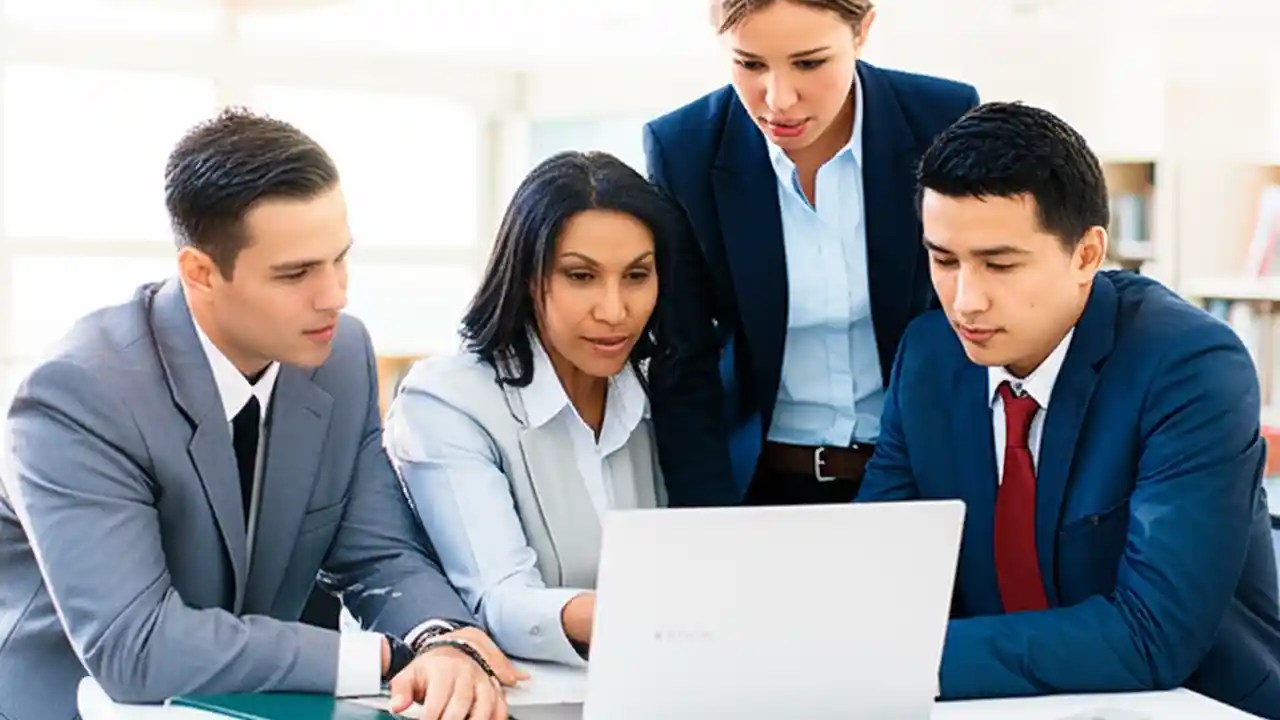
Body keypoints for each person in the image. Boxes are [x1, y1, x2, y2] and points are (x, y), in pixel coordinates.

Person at [0, 108, 523, 720]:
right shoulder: (78, 395)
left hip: (248, 705)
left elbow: (376, 554)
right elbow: (135, 647)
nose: (335, 295)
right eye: (296, 273)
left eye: (339, 259)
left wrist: (441, 640)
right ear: (200, 273)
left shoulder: (341, 354)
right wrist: (382, 656)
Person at [857, 101, 1280, 718]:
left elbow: (1150, 636)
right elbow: (879, 566)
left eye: (999, 264)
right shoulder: (929, 356)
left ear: (1086, 255)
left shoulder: (1189, 365)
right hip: (1000, 702)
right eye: (944, 260)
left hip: (1193, 704)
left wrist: (897, 658)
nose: (965, 301)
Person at [644, 0, 981, 507]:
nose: (778, 99)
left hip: (924, 472)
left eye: (809, 62)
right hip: (760, 486)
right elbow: (684, 359)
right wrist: (707, 513)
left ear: (863, 31)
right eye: (750, 64)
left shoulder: (942, 118)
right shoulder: (683, 149)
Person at [383, 151, 671, 666]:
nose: (614, 310)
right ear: (524, 276)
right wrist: (652, 617)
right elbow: (499, 599)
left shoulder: (662, 390)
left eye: (636, 275)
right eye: (581, 276)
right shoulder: (448, 399)